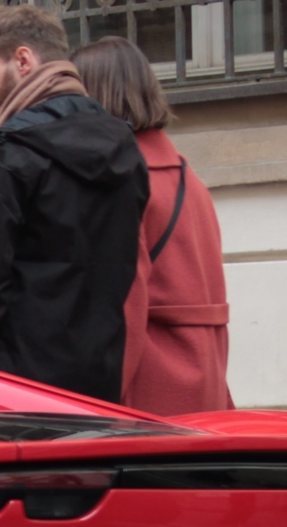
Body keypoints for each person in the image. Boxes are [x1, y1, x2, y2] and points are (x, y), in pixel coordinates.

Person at [0, 5, 148, 403]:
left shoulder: (9, 153)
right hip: (96, 393)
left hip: (14, 400)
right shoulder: (126, 151)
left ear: (23, 61)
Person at [70, 36, 231, 414]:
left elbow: (122, 311)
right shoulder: (189, 179)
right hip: (206, 387)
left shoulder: (125, 183)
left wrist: (96, 409)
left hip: (150, 394)